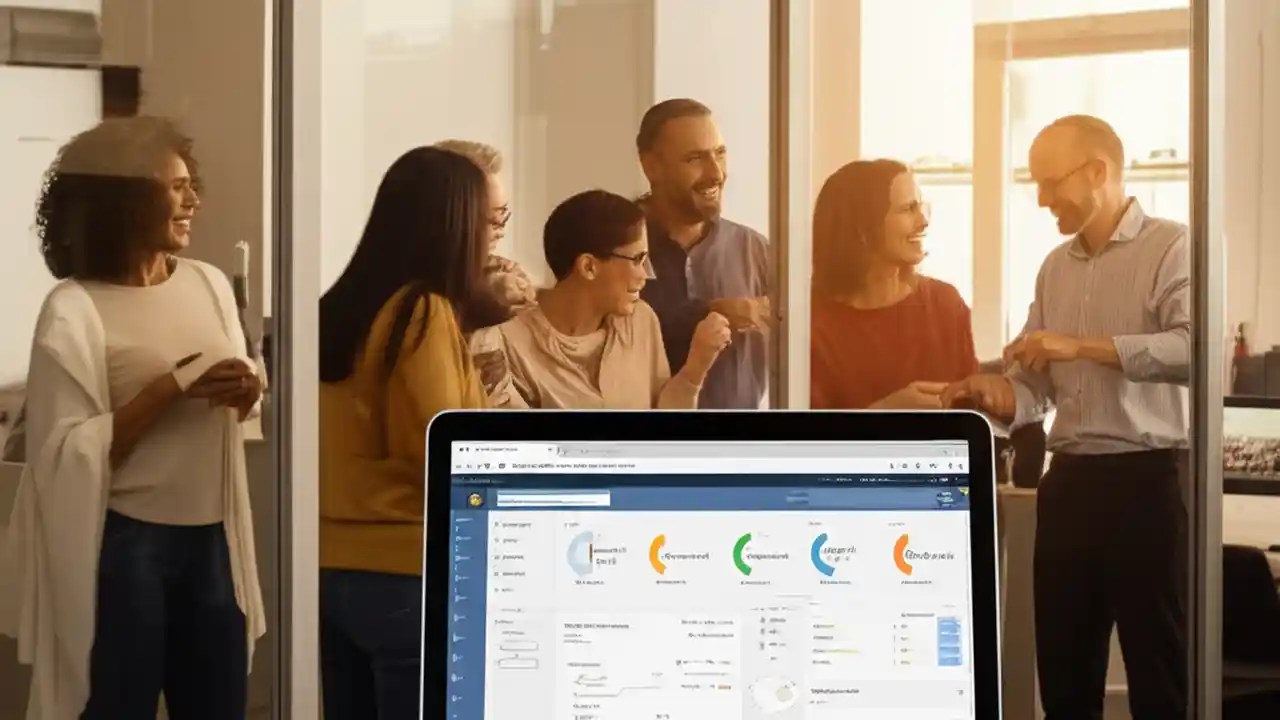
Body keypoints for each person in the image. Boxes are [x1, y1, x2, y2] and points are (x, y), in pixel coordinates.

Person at [0, 116, 266, 719]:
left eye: (189, 184)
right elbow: (62, 456)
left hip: (215, 539)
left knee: (220, 707)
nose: (193, 200)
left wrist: (248, 387)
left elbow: (240, 397)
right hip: (125, 545)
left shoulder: (209, 284)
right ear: (125, 199)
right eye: (175, 187)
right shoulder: (72, 309)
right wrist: (169, 387)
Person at [941, 114, 1190, 719]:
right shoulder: (1054, 266)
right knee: (1064, 671)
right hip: (1070, 483)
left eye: (1051, 183)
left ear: (1099, 172)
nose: (1042, 199)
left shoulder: (1175, 246)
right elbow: (1036, 387)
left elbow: (1192, 351)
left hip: (1150, 480)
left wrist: (1077, 346)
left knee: (1160, 671)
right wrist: (993, 392)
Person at [318, 147, 502, 719]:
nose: (492, 237)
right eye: (488, 221)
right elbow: (442, 449)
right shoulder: (422, 313)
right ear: (455, 225)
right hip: (406, 571)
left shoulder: (342, 308)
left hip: (330, 567)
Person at [473, 189, 731, 409]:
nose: (644, 276)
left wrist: (696, 367)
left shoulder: (641, 320)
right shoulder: (504, 343)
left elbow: (662, 427)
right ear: (588, 267)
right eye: (637, 260)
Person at [635, 98, 771, 409]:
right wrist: (710, 313)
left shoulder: (757, 250)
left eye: (720, 154)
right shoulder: (614, 247)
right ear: (651, 166)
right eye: (695, 158)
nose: (715, 173)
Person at [809, 159, 977, 409]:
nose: (923, 221)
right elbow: (807, 440)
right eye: (909, 209)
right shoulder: (810, 321)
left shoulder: (946, 304)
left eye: (921, 206)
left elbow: (971, 415)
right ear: (863, 227)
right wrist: (887, 415)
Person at [433, 139, 538, 313]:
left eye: (503, 213)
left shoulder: (509, 277)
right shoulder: (416, 302)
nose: (501, 231)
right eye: (491, 218)